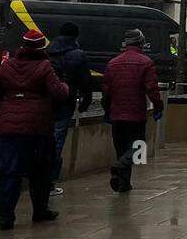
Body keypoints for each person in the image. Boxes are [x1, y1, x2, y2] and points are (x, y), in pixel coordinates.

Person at [0, 28, 69, 229]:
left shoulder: (7, 66)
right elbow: (59, 93)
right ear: (41, 47)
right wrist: (65, 86)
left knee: (6, 172)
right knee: (41, 171)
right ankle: (39, 209)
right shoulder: (45, 66)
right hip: (37, 128)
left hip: (7, 128)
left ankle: (4, 214)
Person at [102, 28, 164, 193]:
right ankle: (120, 167)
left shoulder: (113, 63)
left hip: (116, 114)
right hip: (136, 114)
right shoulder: (145, 62)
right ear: (141, 43)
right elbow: (152, 89)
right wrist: (159, 107)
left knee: (121, 149)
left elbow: (106, 91)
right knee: (139, 147)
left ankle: (123, 183)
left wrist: (107, 111)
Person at [46, 22, 93, 196]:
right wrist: (84, 103)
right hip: (65, 102)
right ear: (75, 36)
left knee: (44, 139)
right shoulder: (78, 55)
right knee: (57, 141)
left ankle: (38, 176)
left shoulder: (48, 51)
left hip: (46, 103)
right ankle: (50, 181)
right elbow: (86, 83)